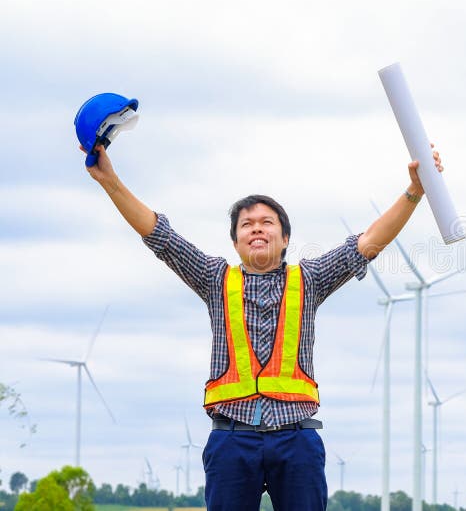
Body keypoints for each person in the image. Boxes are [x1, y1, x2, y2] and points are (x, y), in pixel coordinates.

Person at [83, 141, 443, 511]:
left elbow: (368, 243)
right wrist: (110, 181)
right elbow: (161, 237)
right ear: (235, 240)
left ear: (285, 238)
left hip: (297, 437)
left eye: (267, 223)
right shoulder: (214, 279)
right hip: (231, 437)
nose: (257, 229)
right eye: (247, 225)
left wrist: (415, 191)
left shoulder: (310, 279)